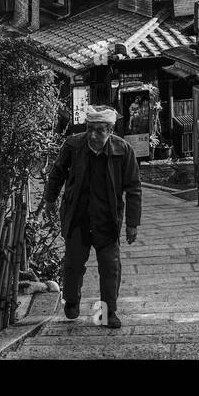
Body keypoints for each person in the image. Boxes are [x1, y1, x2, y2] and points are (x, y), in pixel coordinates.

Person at [43, 104, 142, 328]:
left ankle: (108, 313)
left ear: (110, 130)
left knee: (110, 267)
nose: (94, 135)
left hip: (106, 220)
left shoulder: (123, 150)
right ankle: (71, 300)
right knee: (73, 263)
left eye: (100, 130)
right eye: (90, 129)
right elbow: (57, 173)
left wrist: (132, 224)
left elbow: (134, 189)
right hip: (77, 215)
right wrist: (50, 200)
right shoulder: (73, 145)